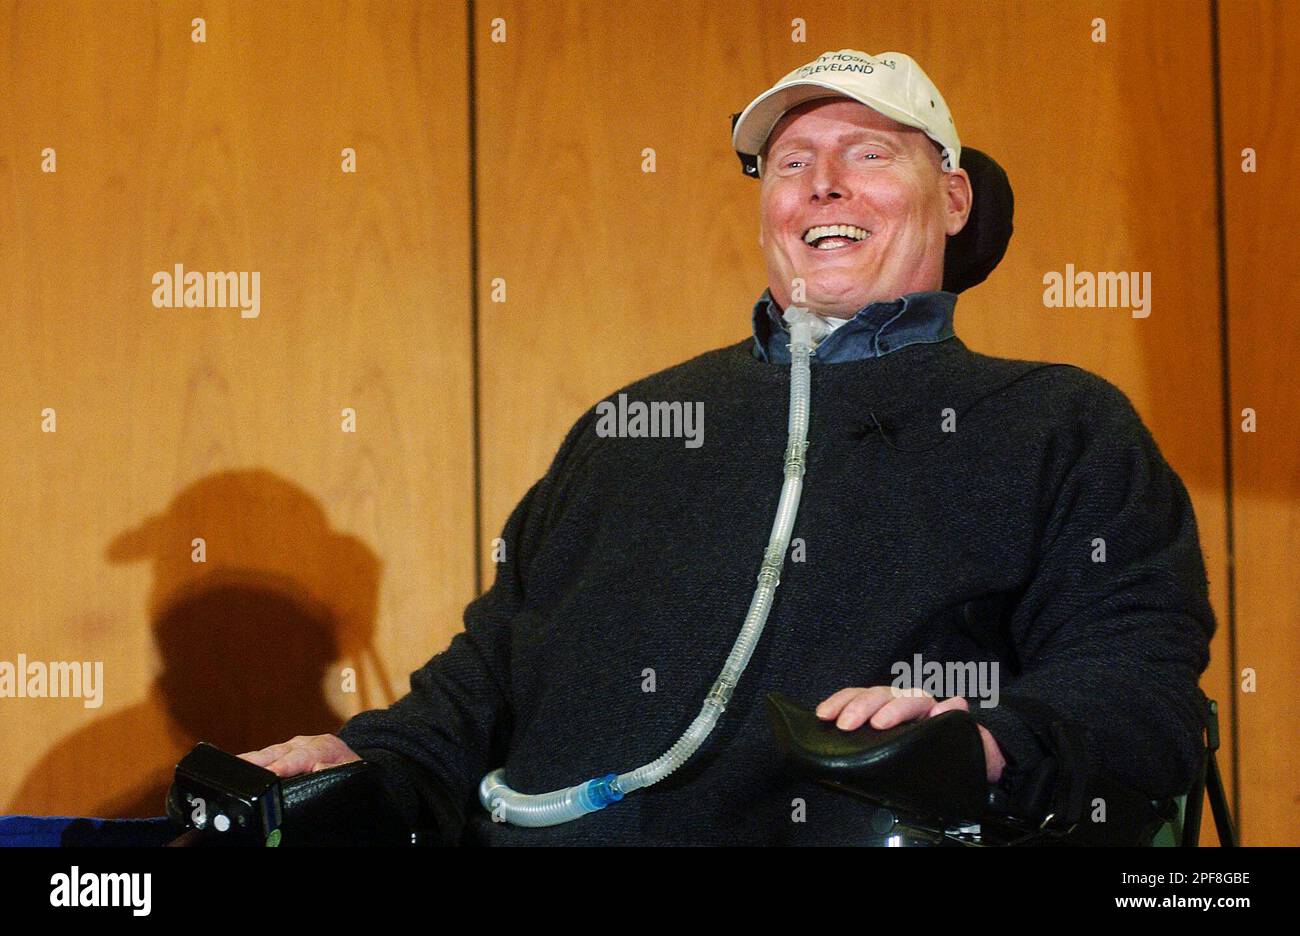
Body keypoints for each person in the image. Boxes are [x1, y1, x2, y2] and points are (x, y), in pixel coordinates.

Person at [241, 49, 1214, 845]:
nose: (821, 180)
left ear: (954, 199)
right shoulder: (632, 426)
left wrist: (986, 747)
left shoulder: (1057, 424)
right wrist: (367, 762)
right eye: (790, 164)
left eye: (868, 153)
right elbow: (484, 683)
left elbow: (1141, 697)